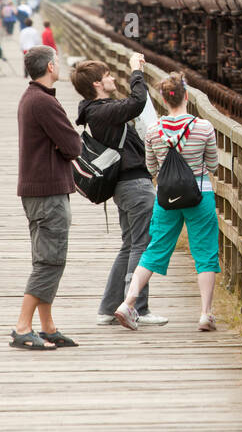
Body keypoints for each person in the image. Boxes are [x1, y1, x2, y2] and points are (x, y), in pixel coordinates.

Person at [115, 73, 220, 333]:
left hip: (166, 198)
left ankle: (129, 303)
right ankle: (206, 314)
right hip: (200, 195)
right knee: (205, 254)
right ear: (186, 96)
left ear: (163, 98)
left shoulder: (153, 130)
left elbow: (151, 167)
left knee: (154, 250)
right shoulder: (204, 127)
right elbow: (214, 164)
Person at [71, 53, 167, 327]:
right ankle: (136, 308)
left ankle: (109, 308)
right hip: (135, 185)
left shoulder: (98, 110)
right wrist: (136, 70)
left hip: (125, 186)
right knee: (142, 245)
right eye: (108, 76)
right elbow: (137, 102)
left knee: (129, 245)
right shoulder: (101, 111)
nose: (113, 78)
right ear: (98, 84)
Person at [12, 45, 82, 350]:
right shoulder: (43, 101)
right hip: (48, 192)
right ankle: (22, 326)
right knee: (49, 261)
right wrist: (67, 146)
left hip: (38, 190)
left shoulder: (32, 98)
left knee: (46, 257)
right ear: (50, 67)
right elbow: (73, 145)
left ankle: (47, 326)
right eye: (58, 61)